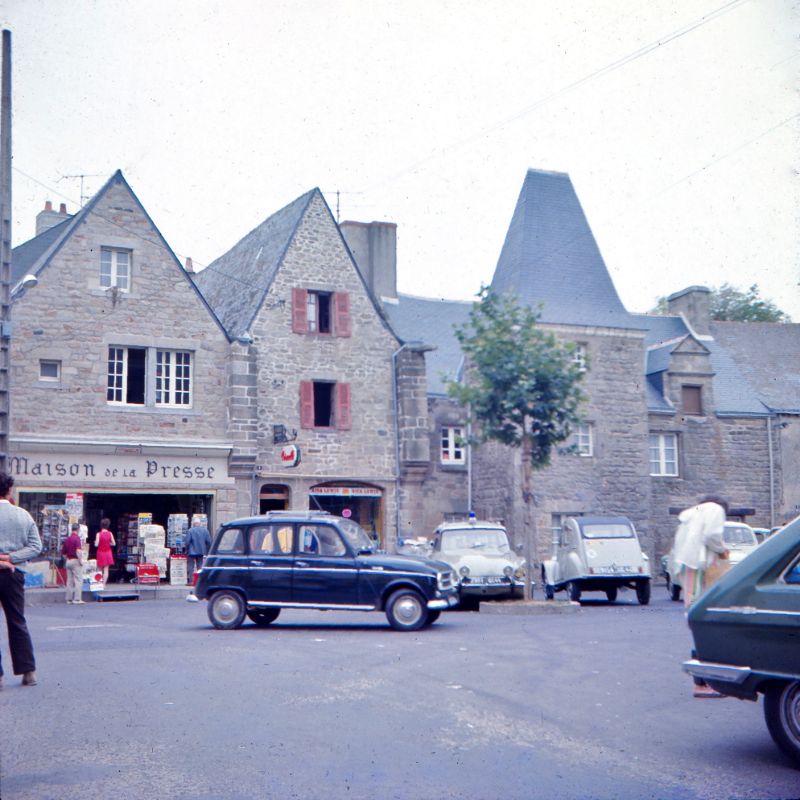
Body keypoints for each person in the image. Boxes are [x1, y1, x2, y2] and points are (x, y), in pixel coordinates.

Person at [672, 495, 730, 698]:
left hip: (687, 568)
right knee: (705, 627)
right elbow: (712, 536)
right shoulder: (715, 509)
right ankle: (704, 684)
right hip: (699, 566)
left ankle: (701, 682)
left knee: (697, 625)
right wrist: (722, 550)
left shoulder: (691, 515)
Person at [0, 471, 42, 688]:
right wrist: (12, 557)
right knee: (17, 620)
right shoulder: (23, 515)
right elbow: (36, 546)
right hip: (14, 573)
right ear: (9, 490)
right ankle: (28, 671)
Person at [61, 523, 84, 604]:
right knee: (78, 580)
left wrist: (67, 559)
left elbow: (63, 553)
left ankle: (69, 599)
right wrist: (80, 561)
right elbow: (78, 551)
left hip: (68, 561)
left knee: (69, 581)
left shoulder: (67, 539)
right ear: (78, 529)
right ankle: (77, 599)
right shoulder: (77, 539)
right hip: (75, 560)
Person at [94, 518, 115, 585]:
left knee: (99, 569)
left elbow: (96, 545)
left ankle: (99, 583)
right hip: (108, 552)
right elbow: (114, 543)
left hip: (100, 552)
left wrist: (95, 542)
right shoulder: (110, 533)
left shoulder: (98, 534)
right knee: (106, 569)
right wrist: (109, 543)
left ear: (101, 525)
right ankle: (104, 584)